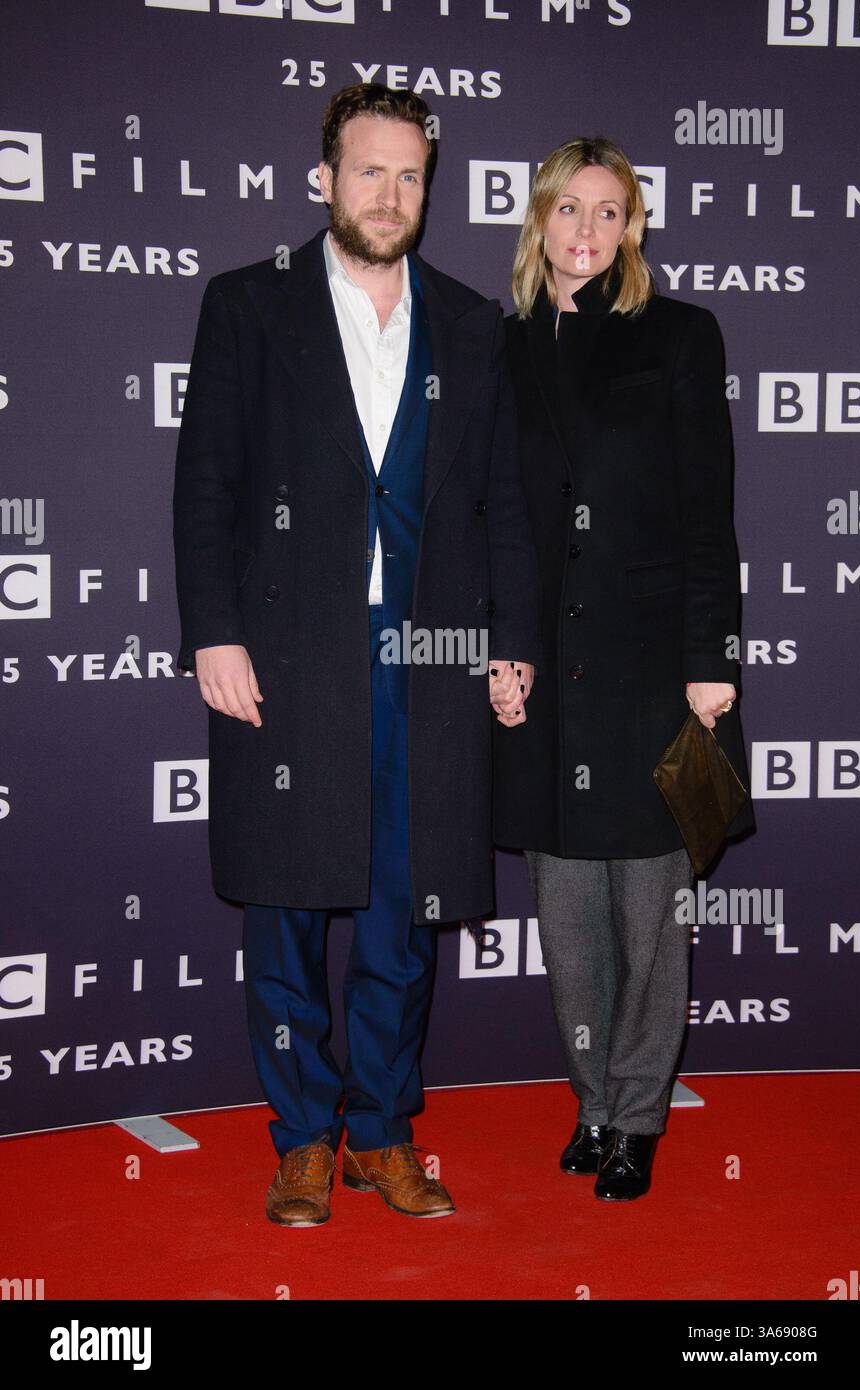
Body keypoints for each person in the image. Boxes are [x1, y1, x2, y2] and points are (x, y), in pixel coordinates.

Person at [172, 83, 539, 1227]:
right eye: (368, 170)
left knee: (402, 912)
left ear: (430, 188)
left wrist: (511, 644)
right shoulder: (249, 304)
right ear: (324, 178)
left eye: (410, 175)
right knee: (285, 907)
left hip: (429, 659)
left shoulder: (472, 324)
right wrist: (214, 630)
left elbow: (504, 502)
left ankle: (381, 1132)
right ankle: (301, 1140)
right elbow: (207, 482)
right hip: (288, 653)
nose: (389, 194)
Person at [492, 136, 754, 1201]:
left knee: (651, 918)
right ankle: (592, 1101)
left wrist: (709, 657)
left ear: (633, 225)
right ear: (540, 218)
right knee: (569, 922)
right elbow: (500, 522)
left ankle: (638, 1113)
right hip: (548, 676)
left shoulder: (678, 333)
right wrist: (504, 648)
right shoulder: (502, 345)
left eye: (610, 211)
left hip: (650, 669)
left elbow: (707, 512)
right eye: (570, 208)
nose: (588, 229)